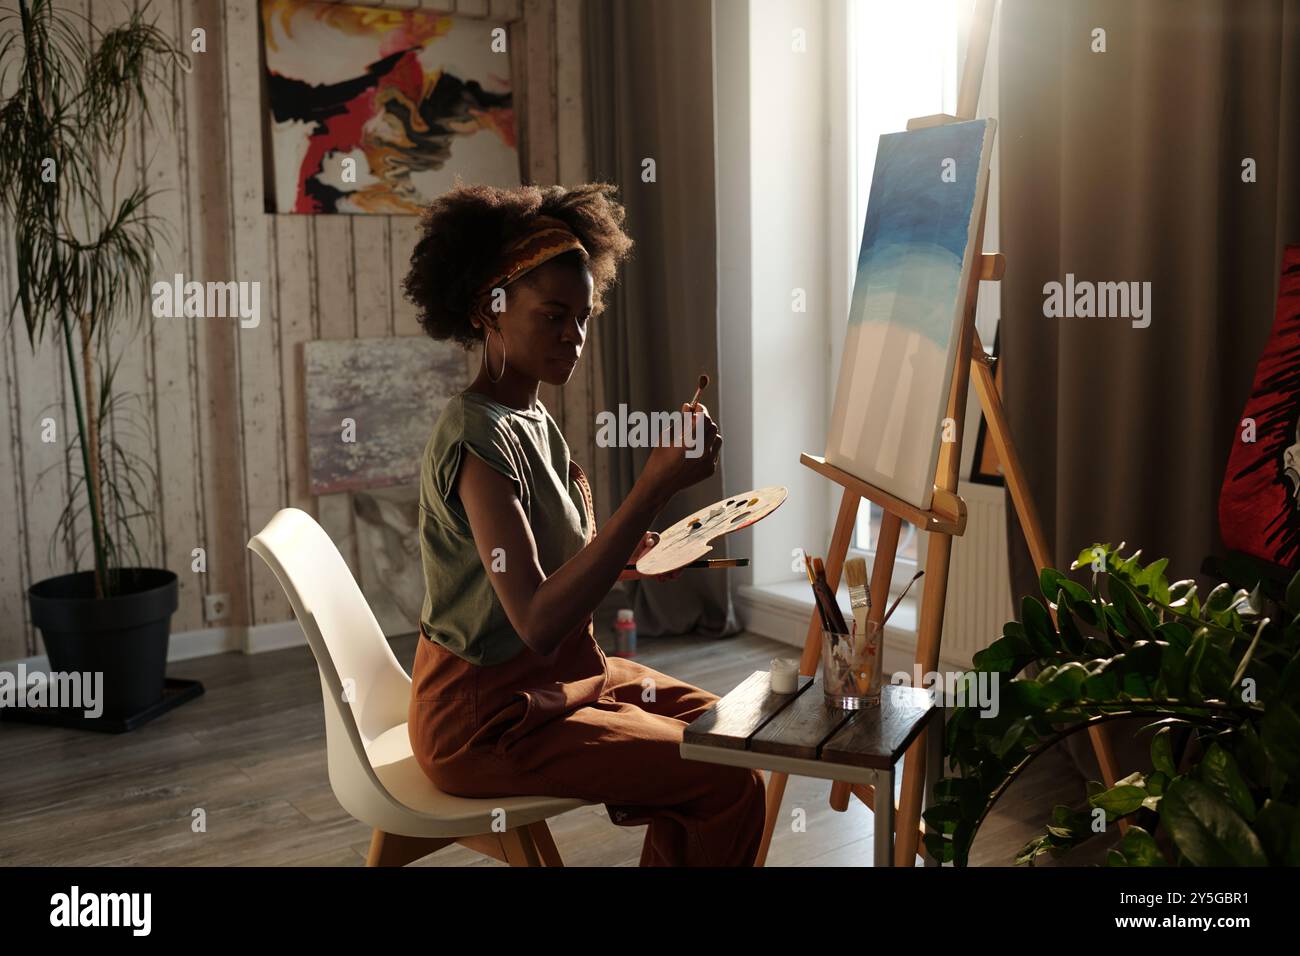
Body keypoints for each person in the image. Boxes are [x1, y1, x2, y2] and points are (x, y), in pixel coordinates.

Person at [401, 181, 767, 866]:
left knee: (737, 729)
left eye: (584, 316)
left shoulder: (532, 419)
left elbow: (555, 564)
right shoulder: (474, 437)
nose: (574, 337)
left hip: (561, 681)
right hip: (489, 722)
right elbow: (536, 620)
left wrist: (636, 550)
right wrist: (652, 491)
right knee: (727, 778)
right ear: (491, 309)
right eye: (554, 316)